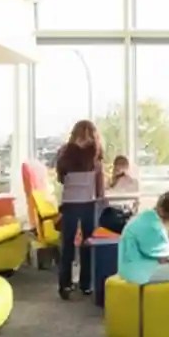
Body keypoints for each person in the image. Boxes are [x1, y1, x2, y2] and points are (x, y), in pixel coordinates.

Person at [56, 120, 106, 300]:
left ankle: (65, 285)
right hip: (89, 202)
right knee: (88, 243)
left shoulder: (64, 152)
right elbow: (100, 182)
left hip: (70, 203)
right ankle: (86, 284)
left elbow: (61, 178)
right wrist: (102, 197)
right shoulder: (97, 153)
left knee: (67, 245)